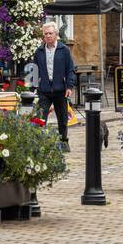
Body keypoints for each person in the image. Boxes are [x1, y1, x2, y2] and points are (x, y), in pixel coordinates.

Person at [33, 21, 76, 152]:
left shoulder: (64, 50)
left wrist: (69, 86)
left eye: (50, 33)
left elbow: (70, 70)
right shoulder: (39, 51)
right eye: (45, 34)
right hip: (44, 90)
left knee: (62, 119)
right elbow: (34, 71)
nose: (48, 36)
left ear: (56, 34)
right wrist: (33, 89)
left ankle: (63, 141)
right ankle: (39, 144)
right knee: (40, 118)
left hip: (60, 90)